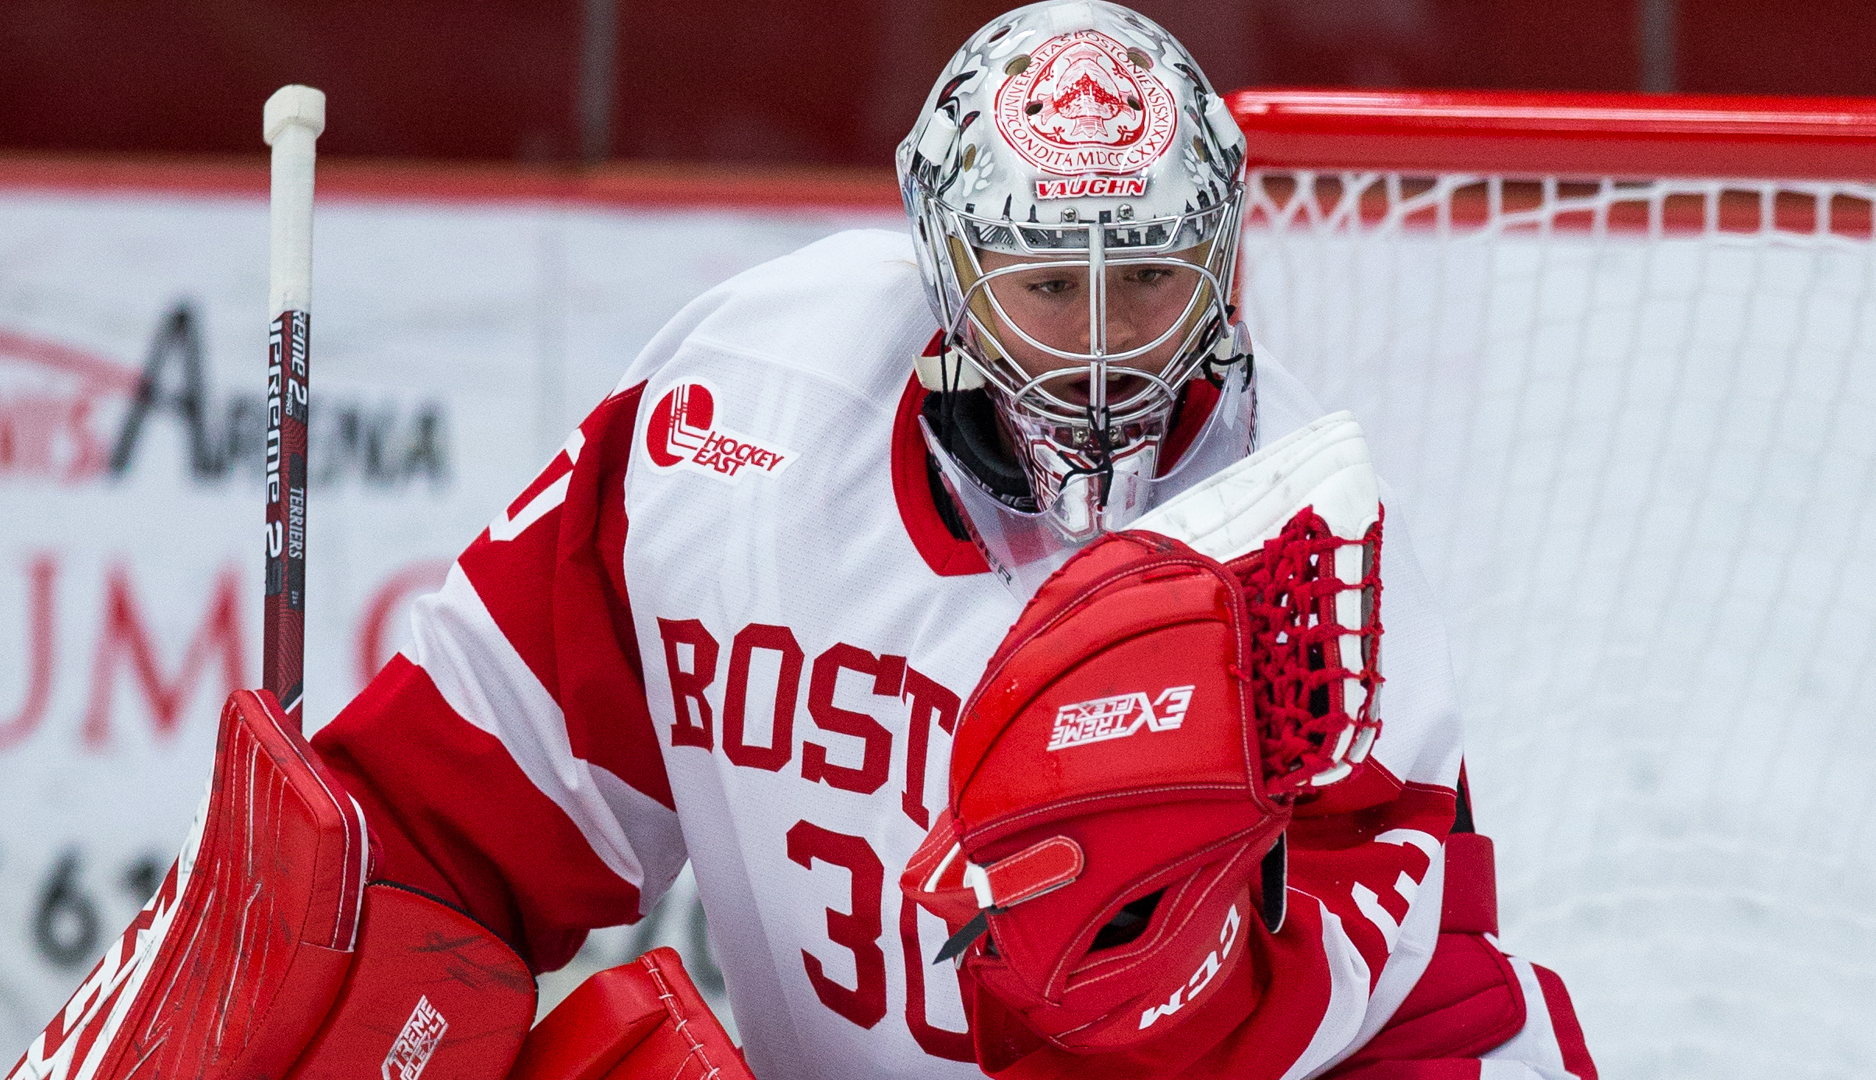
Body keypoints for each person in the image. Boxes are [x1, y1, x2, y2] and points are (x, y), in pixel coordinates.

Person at [26, 4, 1597, 1079]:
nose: (1106, 349)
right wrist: (332, 918)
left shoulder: (1298, 554)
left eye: (1151, 283)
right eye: (1051, 288)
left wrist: (1180, 995)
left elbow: (1420, 975)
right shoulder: (744, 411)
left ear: (1223, 265)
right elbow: (465, 811)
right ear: (945, 262)